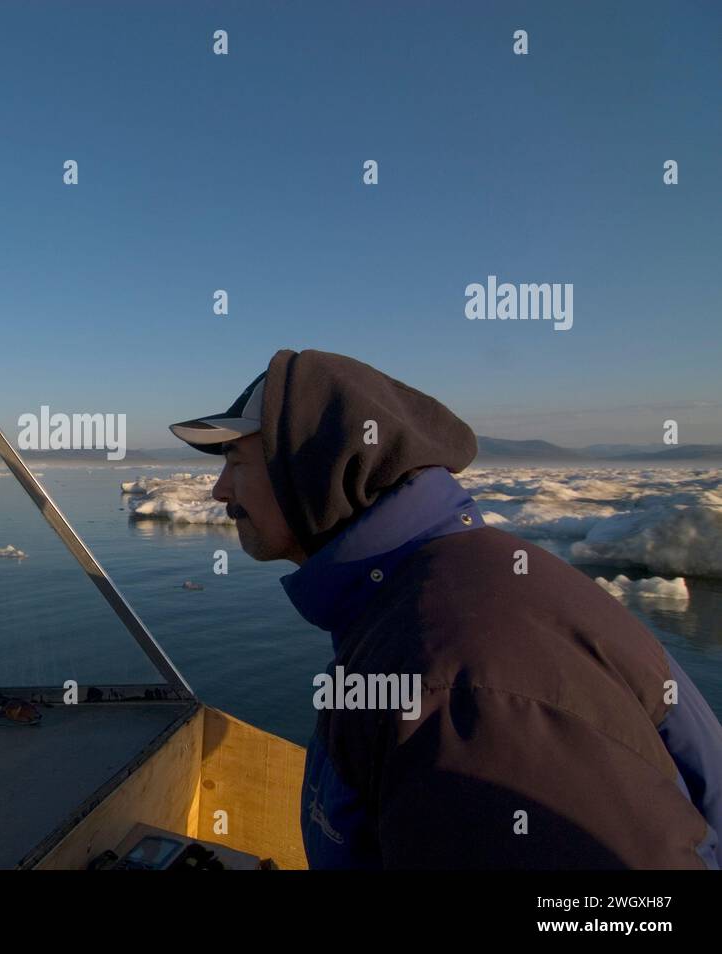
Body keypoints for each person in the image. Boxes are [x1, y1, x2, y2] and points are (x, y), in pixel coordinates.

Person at [168, 348, 722, 868]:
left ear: (312, 466)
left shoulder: (460, 685)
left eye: (237, 461)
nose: (219, 490)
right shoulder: (437, 592)